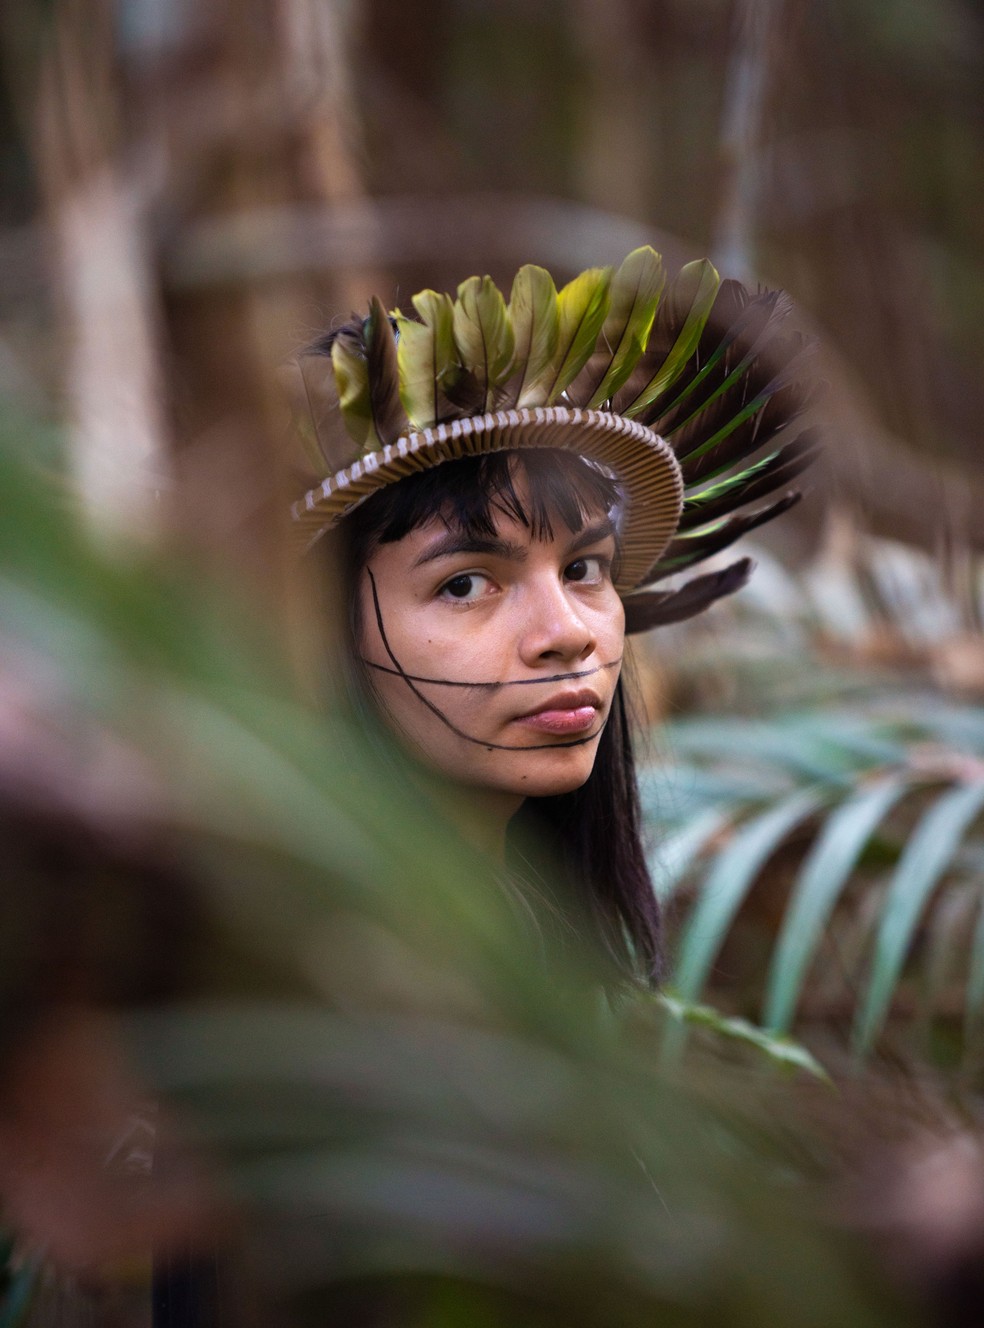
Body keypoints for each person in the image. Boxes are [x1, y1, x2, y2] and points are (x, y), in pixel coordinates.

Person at [286, 246, 816, 987]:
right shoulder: (279, 982)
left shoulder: (552, 958)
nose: (567, 634)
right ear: (311, 626)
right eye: (467, 585)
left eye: (583, 570)